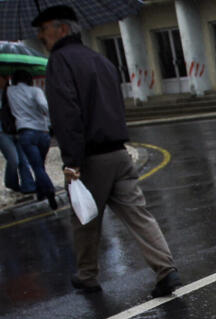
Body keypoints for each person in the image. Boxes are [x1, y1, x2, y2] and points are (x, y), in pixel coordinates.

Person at [34, 5, 181, 297]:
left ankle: (87, 274)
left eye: (44, 29)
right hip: (120, 152)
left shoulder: (60, 62)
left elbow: (67, 115)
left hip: (90, 157)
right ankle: (166, 268)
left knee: (84, 216)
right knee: (138, 214)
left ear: (62, 29)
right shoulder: (100, 59)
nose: (40, 36)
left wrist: (72, 162)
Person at [6, 70, 58, 209]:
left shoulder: (10, 91)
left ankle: (49, 191)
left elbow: (1, 106)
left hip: (25, 132)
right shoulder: (36, 91)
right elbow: (44, 106)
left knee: (36, 166)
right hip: (42, 132)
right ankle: (42, 192)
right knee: (40, 164)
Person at [0, 75, 36, 194]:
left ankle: (28, 185)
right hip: (1, 131)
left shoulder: (13, 91)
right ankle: (11, 182)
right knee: (14, 159)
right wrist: (5, 99)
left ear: (6, 79)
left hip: (16, 129)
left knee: (23, 160)